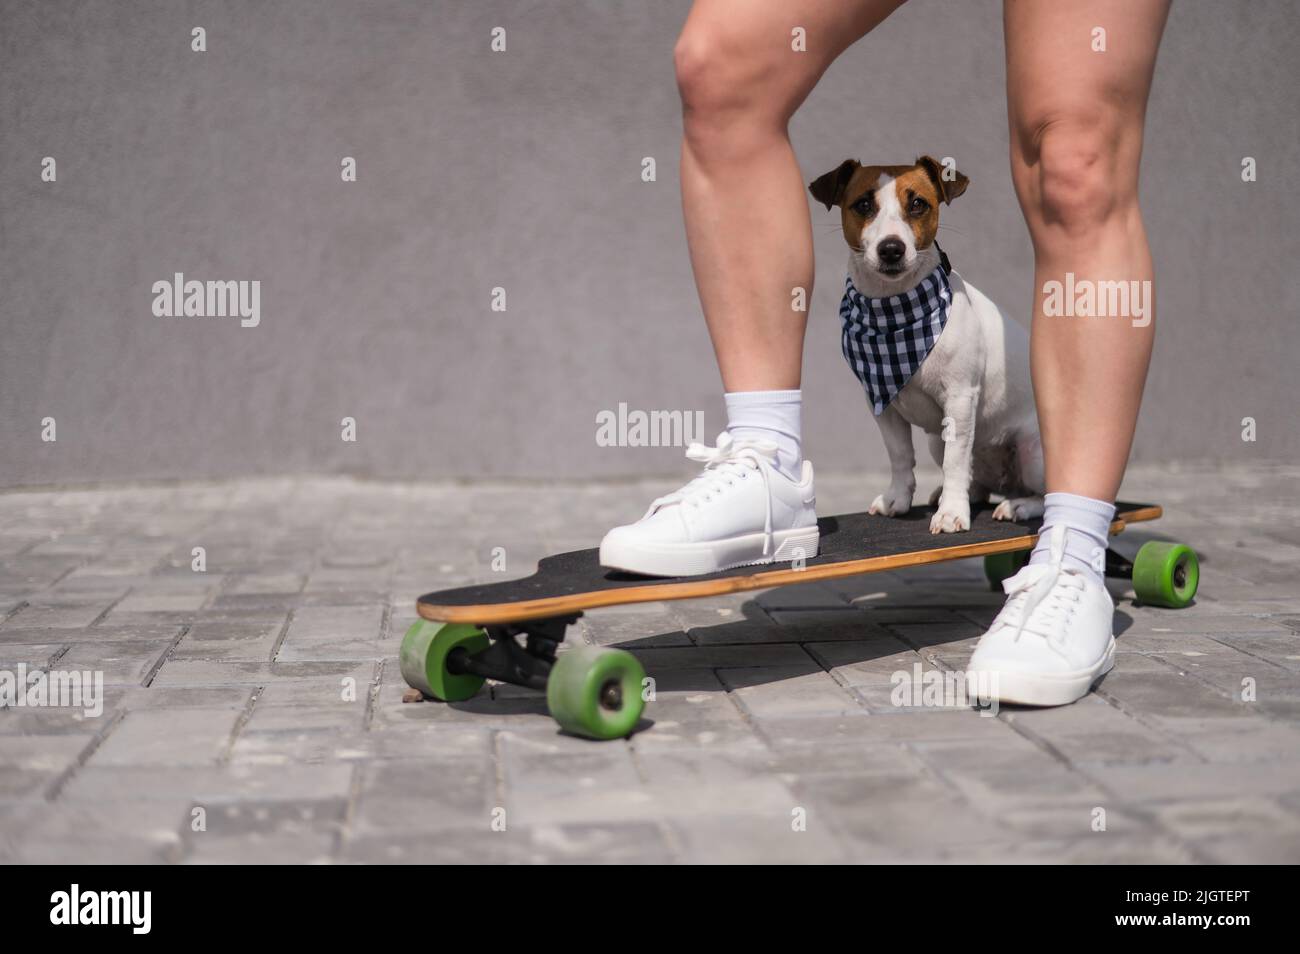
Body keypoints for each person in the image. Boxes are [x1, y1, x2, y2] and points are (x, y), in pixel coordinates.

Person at [598, 0, 1170, 706]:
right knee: (721, 65)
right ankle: (766, 460)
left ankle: (1073, 555)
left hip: (997, 450)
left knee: (1074, 158)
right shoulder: (865, 321)